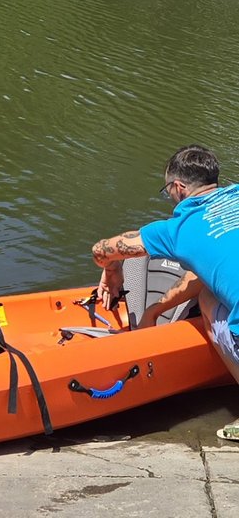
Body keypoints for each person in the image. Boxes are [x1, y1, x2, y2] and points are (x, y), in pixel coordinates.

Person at [91, 144, 239, 441]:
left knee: (208, 299)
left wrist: (111, 271)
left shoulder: (178, 229)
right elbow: (200, 275)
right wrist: (154, 310)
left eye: (167, 190)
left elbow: (102, 249)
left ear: (178, 187)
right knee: (210, 288)